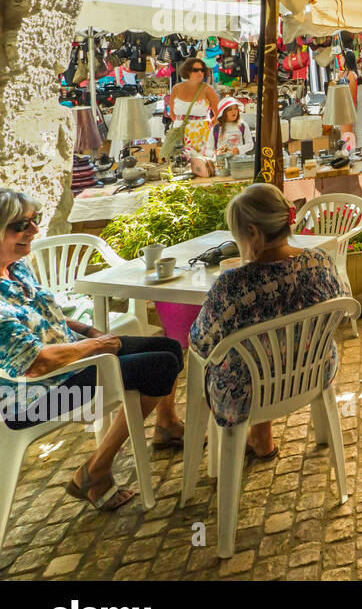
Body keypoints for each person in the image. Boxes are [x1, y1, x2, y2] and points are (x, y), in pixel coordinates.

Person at [0, 189, 183, 510]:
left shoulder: (15, 267)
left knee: (170, 349)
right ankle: (96, 471)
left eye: (34, 221)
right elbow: (37, 363)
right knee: (160, 366)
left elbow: (47, 315)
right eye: (21, 226)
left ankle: (163, 429)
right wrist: (98, 345)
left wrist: (87, 331)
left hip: (70, 360)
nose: (34, 231)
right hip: (31, 398)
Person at [189, 184, 343, 460]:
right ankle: (262, 439)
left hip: (248, 394)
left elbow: (200, 343)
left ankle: (234, 444)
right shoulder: (319, 263)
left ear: (253, 233)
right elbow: (340, 310)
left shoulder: (232, 286)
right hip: (313, 371)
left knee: (231, 358)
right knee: (269, 346)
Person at [165, 56, 220, 161]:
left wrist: (207, 125)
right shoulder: (176, 88)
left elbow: (218, 114)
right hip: (180, 133)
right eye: (195, 70)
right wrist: (180, 124)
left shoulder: (208, 89)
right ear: (187, 71)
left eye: (202, 70)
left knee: (202, 163)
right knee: (181, 162)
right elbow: (171, 113)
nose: (200, 73)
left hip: (202, 134)